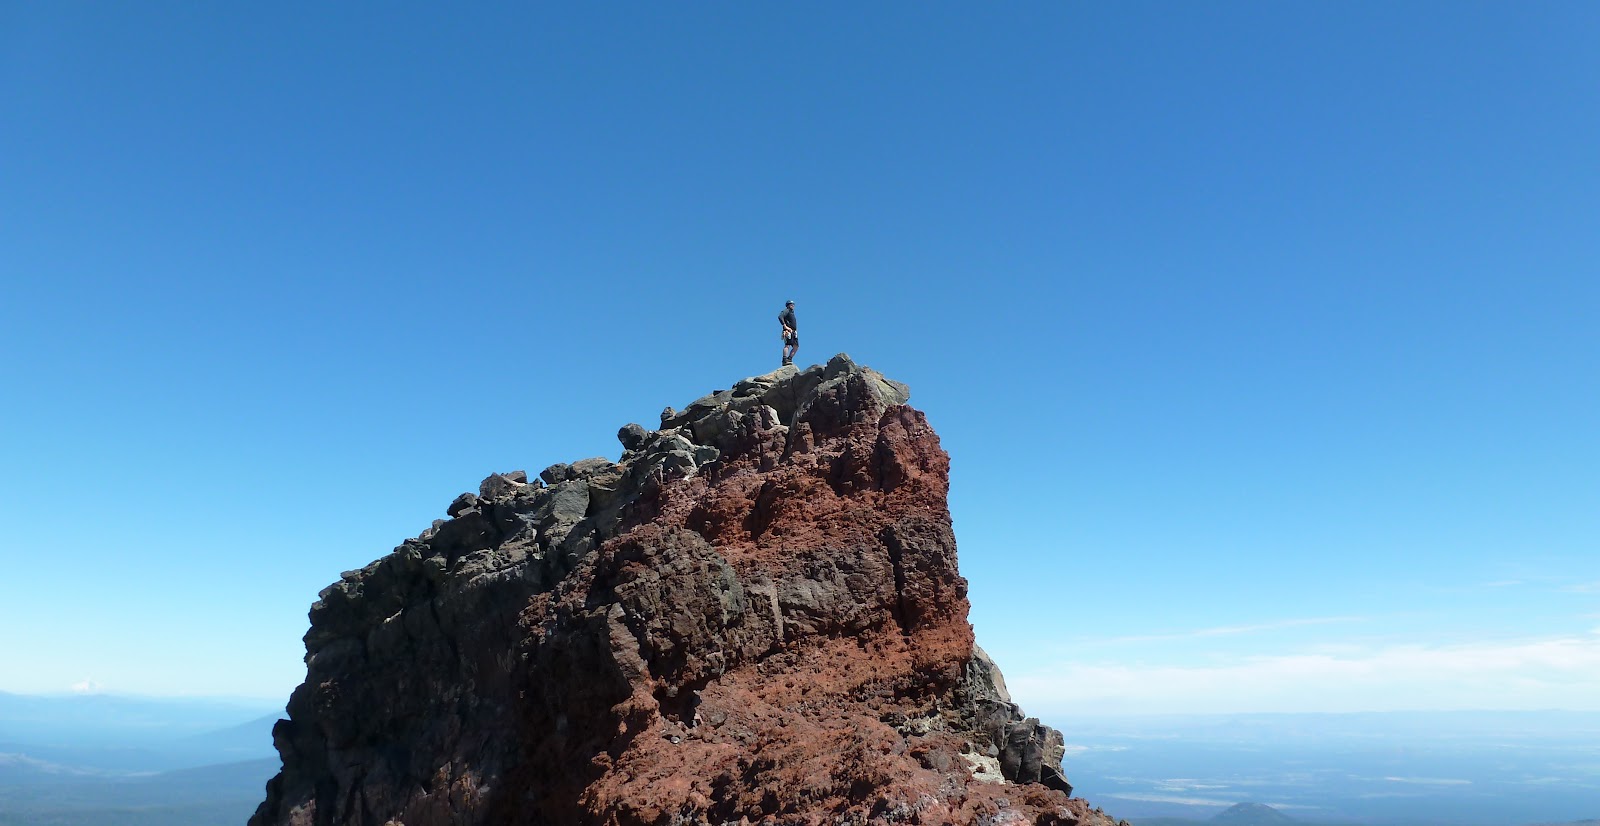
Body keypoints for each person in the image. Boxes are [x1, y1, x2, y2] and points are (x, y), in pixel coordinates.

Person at [778, 300, 798, 366]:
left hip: (793, 332)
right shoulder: (787, 311)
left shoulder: (792, 313)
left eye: (793, 304)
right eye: (791, 304)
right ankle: (784, 360)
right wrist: (785, 325)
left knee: (796, 346)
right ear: (788, 305)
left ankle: (789, 359)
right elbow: (780, 316)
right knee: (787, 345)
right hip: (788, 331)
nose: (793, 306)